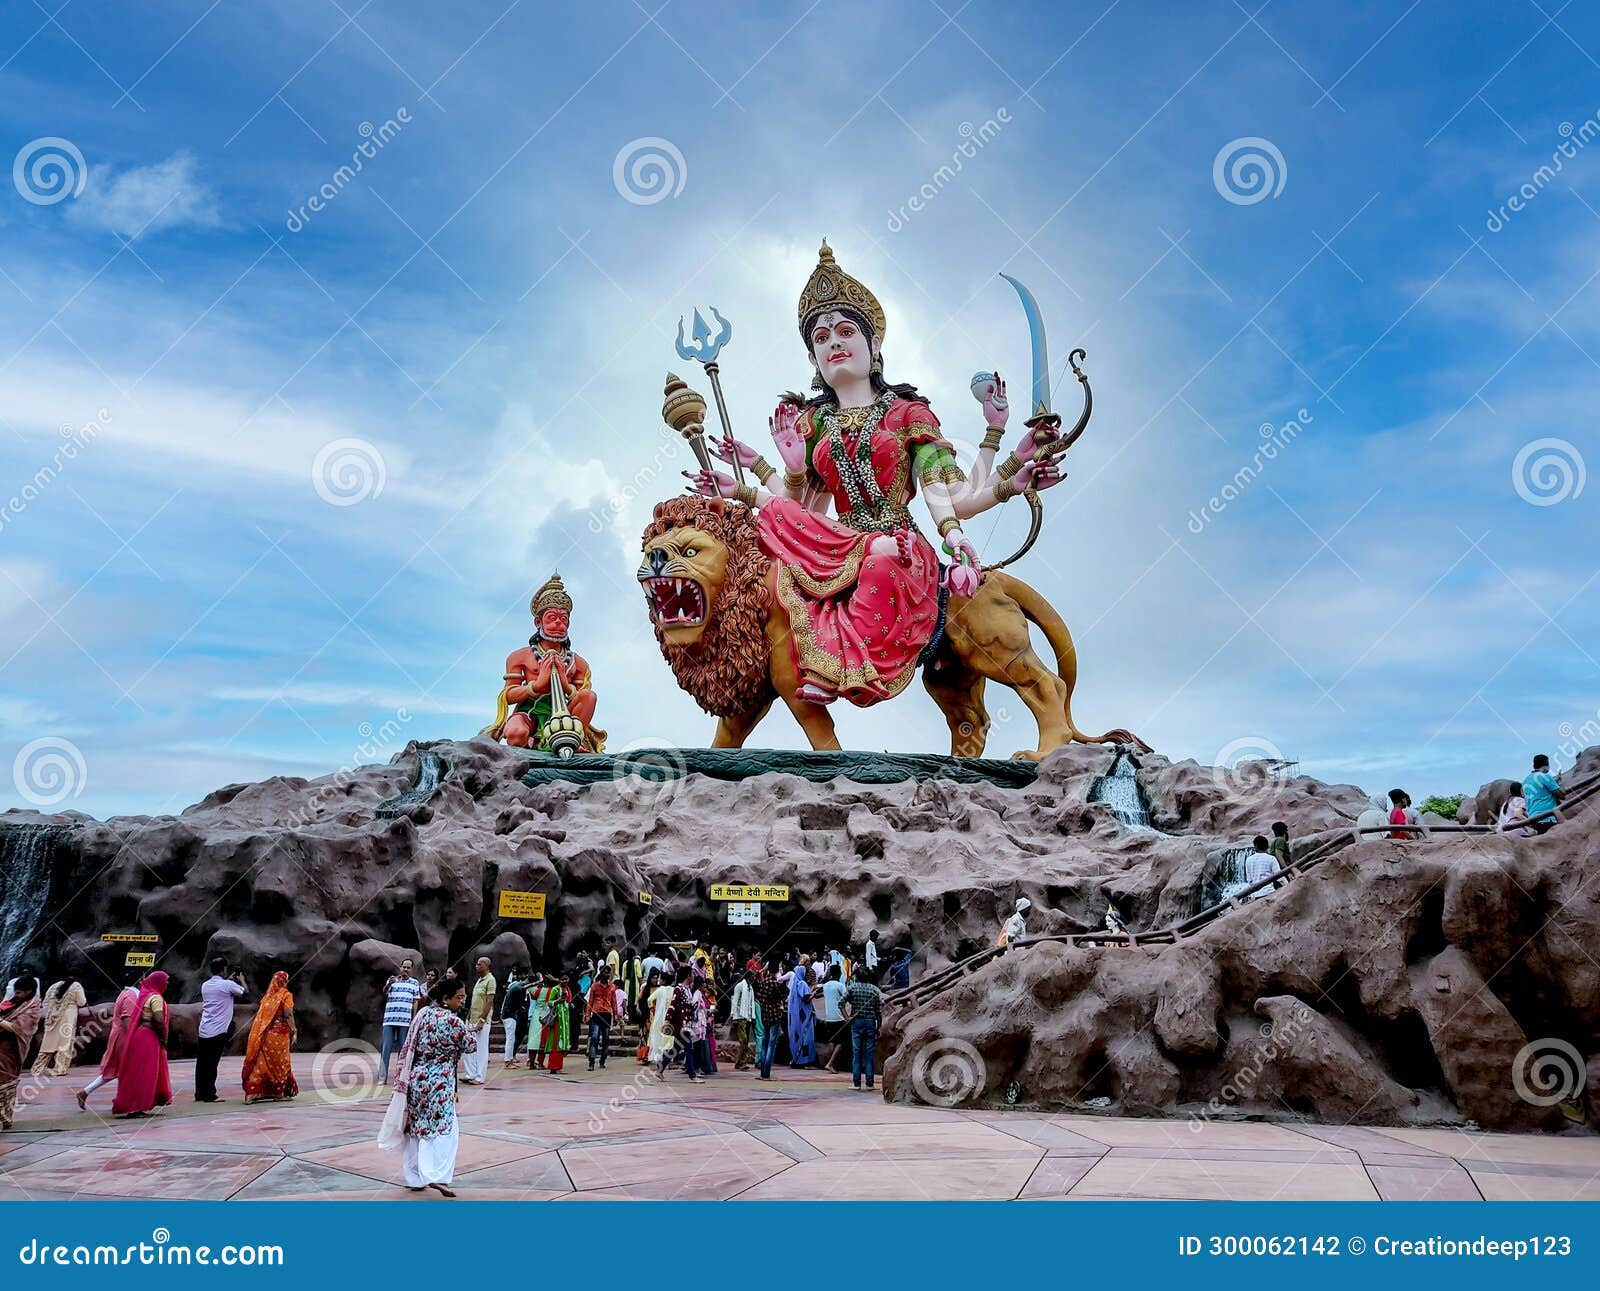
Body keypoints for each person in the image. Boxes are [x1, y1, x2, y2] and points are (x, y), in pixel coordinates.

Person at [387, 974, 476, 1197]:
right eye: (459, 998)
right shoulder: (453, 1021)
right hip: (440, 1082)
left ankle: (414, 1177)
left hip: (417, 1079)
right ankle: (436, 1175)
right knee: (445, 1129)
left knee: (416, 1128)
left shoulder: (422, 1015)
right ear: (446, 999)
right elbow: (470, 1045)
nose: (462, 1001)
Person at [112, 971, 172, 1118]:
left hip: (141, 1035)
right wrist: (164, 1037)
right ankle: (136, 1107)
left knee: (138, 1071)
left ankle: (137, 1105)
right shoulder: (156, 997)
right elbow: (158, 1019)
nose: (167, 983)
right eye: (166, 980)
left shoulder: (146, 996)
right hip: (149, 1036)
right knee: (145, 1072)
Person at [78, 974, 141, 1110]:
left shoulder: (126, 993)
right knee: (127, 1069)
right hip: (124, 1037)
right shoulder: (131, 996)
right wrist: (135, 1039)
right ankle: (126, 1101)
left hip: (119, 1035)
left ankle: (85, 1091)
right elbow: (127, 1019)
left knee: (115, 1069)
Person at [241, 970, 298, 1103]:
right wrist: (294, 1030)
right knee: (280, 1064)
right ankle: (278, 1094)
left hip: (265, 1036)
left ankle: (251, 1094)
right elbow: (288, 1014)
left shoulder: (267, 997)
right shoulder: (286, 995)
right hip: (280, 1036)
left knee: (262, 1064)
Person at [195, 959, 246, 1102]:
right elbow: (244, 992)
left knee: (202, 1063)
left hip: (204, 1029)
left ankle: (200, 1093)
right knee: (212, 1063)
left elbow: (221, 990)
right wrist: (241, 979)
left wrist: (229, 980)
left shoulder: (205, 985)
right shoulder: (228, 985)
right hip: (218, 1031)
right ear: (224, 969)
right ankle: (210, 1094)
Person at [0, 976, 42, 1130]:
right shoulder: (16, 1003)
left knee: (6, 1083)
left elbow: (18, 1029)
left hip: (11, 1050)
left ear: (28, 991)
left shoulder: (32, 1008)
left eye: (19, 992)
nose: (15, 995)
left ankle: (5, 1117)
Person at [378, 957, 424, 1083]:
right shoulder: (392, 980)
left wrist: (413, 1018)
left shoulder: (414, 983)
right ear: (400, 967)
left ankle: (400, 1077)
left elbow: (416, 1001)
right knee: (386, 1048)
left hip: (405, 1020)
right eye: (404, 967)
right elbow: (385, 991)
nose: (406, 969)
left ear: (412, 969)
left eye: (409, 967)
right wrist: (389, 984)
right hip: (389, 1019)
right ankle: (382, 1077)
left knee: (403, 1050)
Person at [658, 966, 705, 1083]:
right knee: (689, 1047)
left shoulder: (687, 989)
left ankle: (660, 1069)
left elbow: (687, 1006)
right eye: (692, 974)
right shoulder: (678, 989)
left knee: (676, 1048)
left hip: (687, 1023)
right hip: (681, 1025)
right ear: (688, 976)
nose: (694, 976)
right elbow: (673, 1005)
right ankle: (692, 1075)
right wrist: (667, 1021)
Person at [32, 979, 86, 1077]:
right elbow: (82, 1002)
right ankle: (60, 1069)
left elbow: (45, 1003)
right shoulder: (76, 986)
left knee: (47, 1044)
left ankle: (37, 1068)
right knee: (64, 1043)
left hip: (52, 1018)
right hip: (68, 1017)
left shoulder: (54, 986)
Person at [843, 968, 884, 1091]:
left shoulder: (852, 988)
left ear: (858, 977)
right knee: (869, 1054)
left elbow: (841, 1003)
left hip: (857, 1022)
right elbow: (878, 1012)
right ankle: (870, 1084)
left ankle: (856, 1083)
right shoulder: (875, 990)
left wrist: (847, 1018)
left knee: (857, 1053)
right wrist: (879, 1027)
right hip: (871, 1023)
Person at [460, 957, 496, 1085]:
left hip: (482, 1020)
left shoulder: (490, 980)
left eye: (479, 964)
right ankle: (471, 1073)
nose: (477, 966)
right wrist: (468, 1017)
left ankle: (480, 1076)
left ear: (486, 965)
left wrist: (482, 1019)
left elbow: (489, 1001)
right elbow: (474, 1001)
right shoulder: (479, 980)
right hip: (472, 1018)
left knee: (481, 1048)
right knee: (468, 1046)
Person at [586, 966, 620, 1070]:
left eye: (608, 973)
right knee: (594, 1038)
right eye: (605, 973)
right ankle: (591, 1063)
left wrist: (616, 1016)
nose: (607, 975)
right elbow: (590, 1002)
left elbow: (614, 1002)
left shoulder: (612, 987)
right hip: (596, 1014)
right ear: (601, 973)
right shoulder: (594, 986)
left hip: (607, 1014)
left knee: (606, 1039)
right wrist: (587, 1015)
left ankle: (602, 1061)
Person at [786, 957, 816, 1068]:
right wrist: (814, 993)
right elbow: (806, 998)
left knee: (796, 1038)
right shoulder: (802, 983)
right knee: (806, 1038)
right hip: (804, 1018)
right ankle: (804, 1061)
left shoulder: (794, 984)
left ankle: (795, 1059)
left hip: (796, 1017)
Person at [817, 965, 848, 1071]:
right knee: (841, 1042)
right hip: (838, 1017)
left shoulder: (826, 985)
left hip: (829, 1017)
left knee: (832, 1040)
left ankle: (827, 1061)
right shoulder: (840, 985)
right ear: (839, 974)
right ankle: (830, 1063)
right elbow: (846, 997)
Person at [1523, 754, 1563, 834]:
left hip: (1533, 820)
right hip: (1547, 818)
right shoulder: (1545, 776)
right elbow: (1562, 795)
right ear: (1546, 765)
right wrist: (1559, 784)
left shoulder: (1525, 781)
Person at [500, 969, 529, 1068]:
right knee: (510, 1038)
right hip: (509, 1015)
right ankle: (508, 1061)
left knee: (511, 1038)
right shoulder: (517, 987)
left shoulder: (515, 986)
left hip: (509, 1014)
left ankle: (510, 1059)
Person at [729, 968, 757, 1070]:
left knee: (746, 1041)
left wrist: (752, 1016)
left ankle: (741, 1062)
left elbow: (751, 1003)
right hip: (740, 1016)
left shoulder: (750, 988)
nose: (754, 978)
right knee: (743, 1040)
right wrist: (734, 1016)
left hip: (748, 1017)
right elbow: (735, 1001)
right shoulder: (740, 986)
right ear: (749, 976)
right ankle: (740, 1062)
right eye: (753, 976)